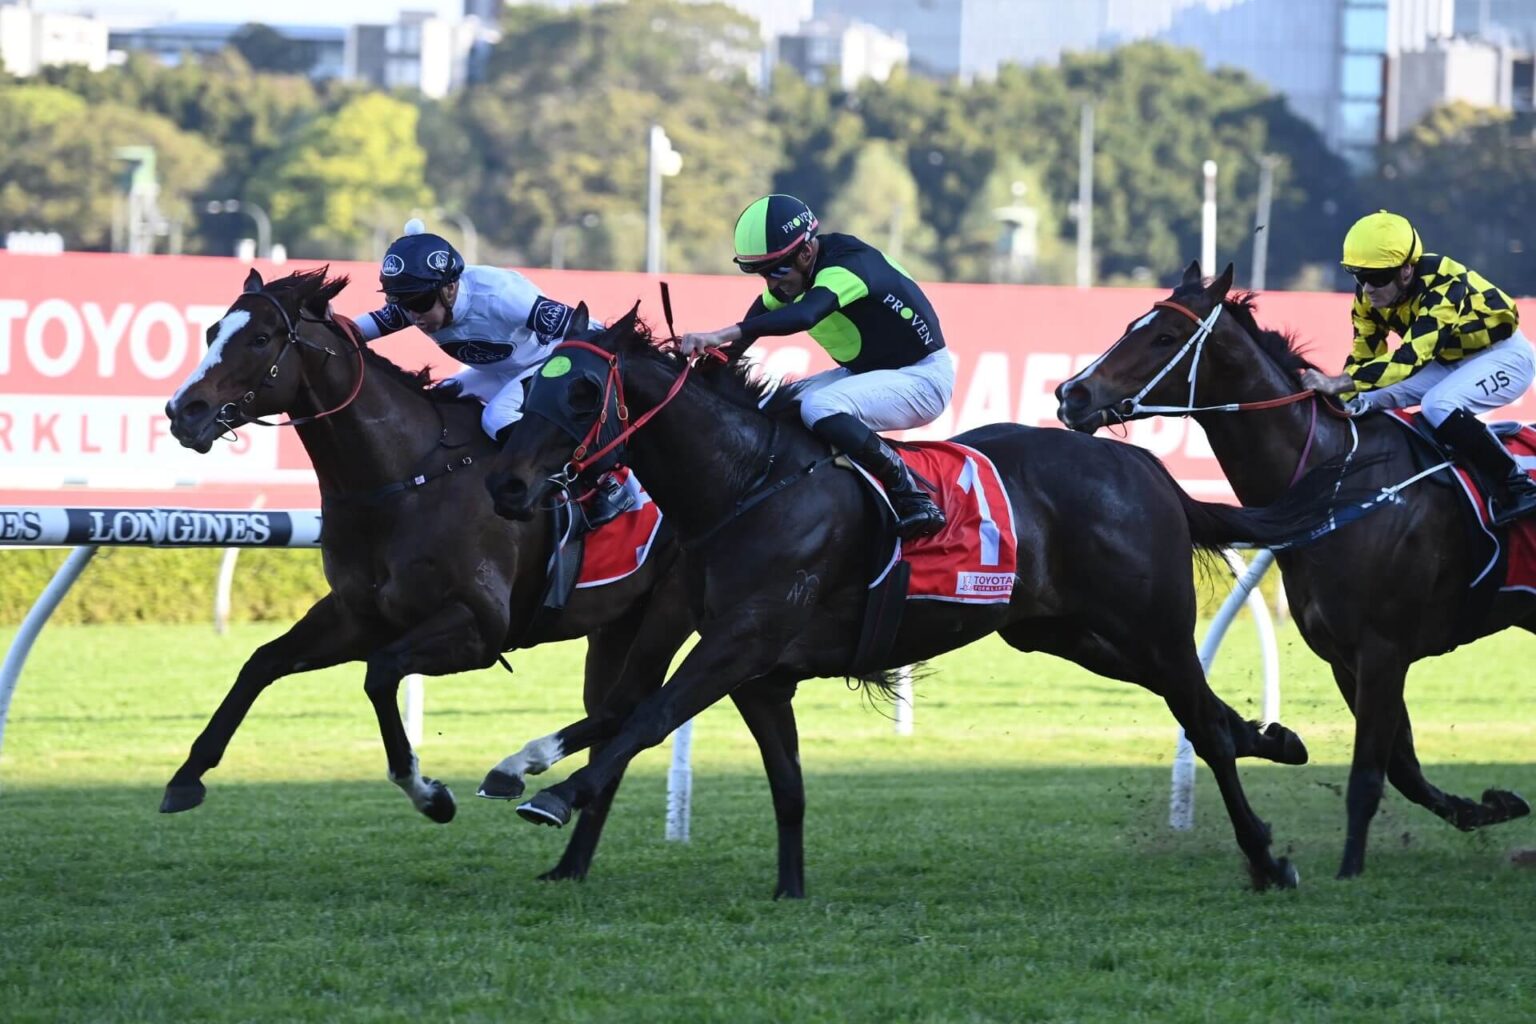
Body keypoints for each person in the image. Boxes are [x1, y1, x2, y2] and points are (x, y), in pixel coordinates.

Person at [679, 194, 954, 539]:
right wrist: (718, 362)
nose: (772, 285)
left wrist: (721, 334)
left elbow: (805, 313)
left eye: (776, 272)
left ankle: (912, 494)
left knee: (819, 406)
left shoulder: (847, 265)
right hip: (871, 373)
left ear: (806, 252)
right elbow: (764, 309)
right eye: (762, 275)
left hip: (923, 378)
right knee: (772, 406)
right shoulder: (796, 271)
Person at [358, 219, 629, 525]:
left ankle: (601, 482)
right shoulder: (420, 303)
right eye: (403, 304)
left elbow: (589, 330)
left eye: (419, 302)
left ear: (449, 289)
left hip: (547, 361)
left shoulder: (500, 297)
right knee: (438, 403)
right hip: (500, 371)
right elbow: (351, 331)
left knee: (497, 416)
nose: (413, 315)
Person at [1298, 209, 1536, 527]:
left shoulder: (1445, 284)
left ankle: (1517, 487)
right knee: (1361, 402)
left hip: (1505, 356)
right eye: (1359, 275)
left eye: (1378, 277)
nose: (1368, 288)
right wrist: (1342, 394)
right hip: (1448, 361)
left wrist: (1338, 382)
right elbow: (1364, 357)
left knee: (1438, 405)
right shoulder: (1367, 300)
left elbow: (1410, 358)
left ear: (1407, 271)